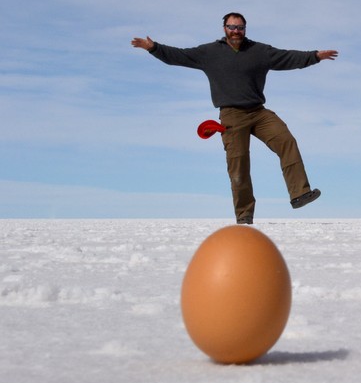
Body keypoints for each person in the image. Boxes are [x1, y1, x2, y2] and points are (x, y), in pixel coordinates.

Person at [132, 13, 339, 225]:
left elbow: (287, 58)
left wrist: (315, 56)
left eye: (240, 27)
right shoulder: (209, 52)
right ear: (224, 28)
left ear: (245, 29)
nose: (236, 31)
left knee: (286, 140)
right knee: (238, 165)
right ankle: (244, 215)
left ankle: (299, 194)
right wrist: (153, 48)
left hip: (259, 112)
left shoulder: (259, 51)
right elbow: (178, 55)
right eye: (231, 27)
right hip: (231, 115)